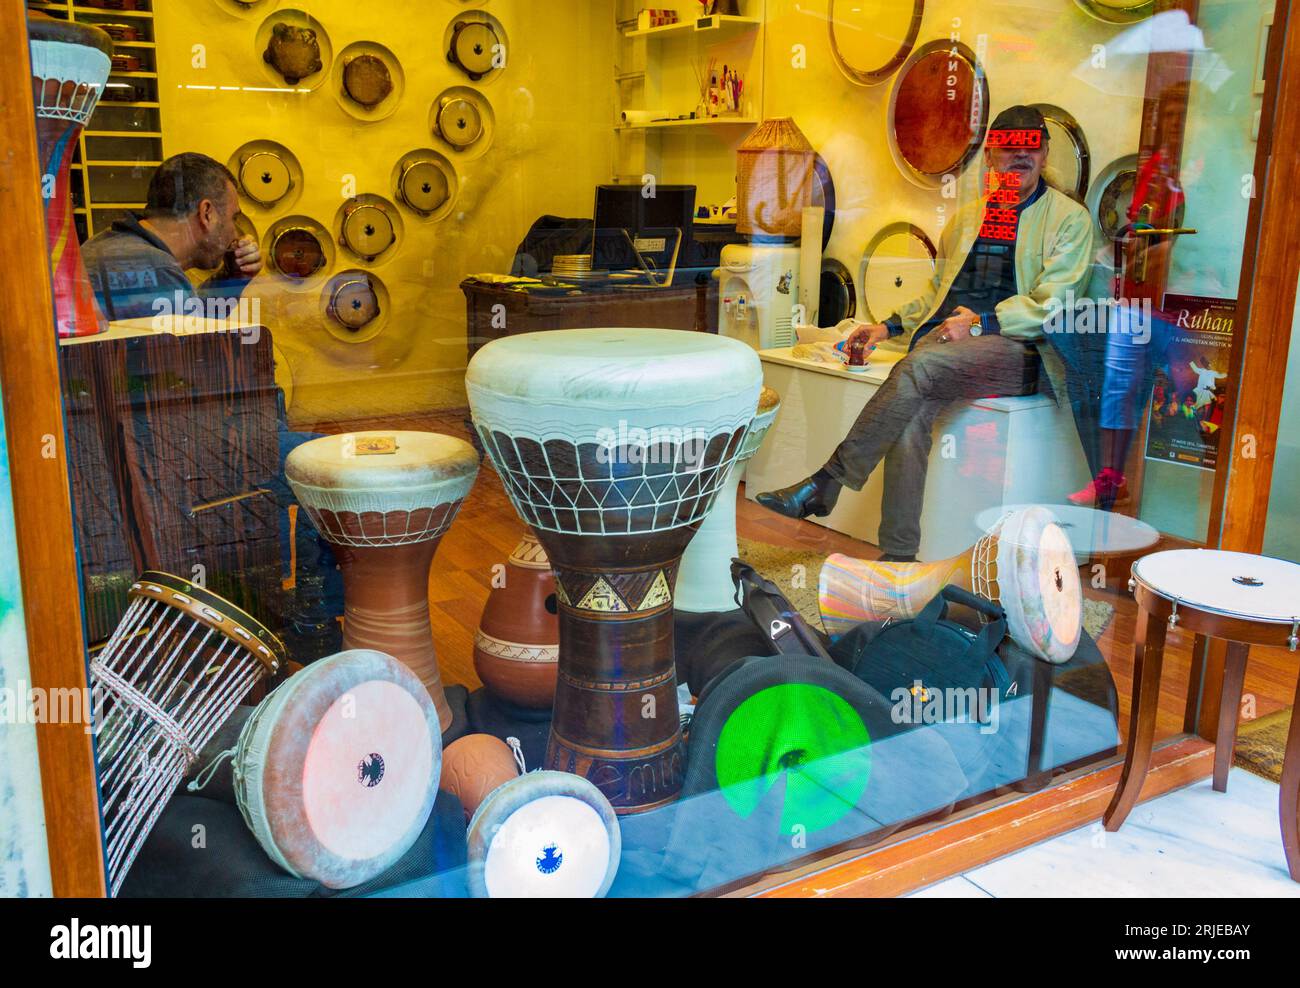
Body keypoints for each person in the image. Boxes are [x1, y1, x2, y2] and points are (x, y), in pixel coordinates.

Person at [756, 106, 1094, 562]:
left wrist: (980, 323)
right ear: (990, 155)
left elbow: (1053, 306)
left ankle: (827, 482)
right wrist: (887, 326)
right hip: (950, 345)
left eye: (1029, 147)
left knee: (920, 367)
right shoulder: (970, 218)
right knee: (909, 416)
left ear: (1044, 152)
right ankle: (898, 559)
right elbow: (935, 294)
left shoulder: (1070, 219)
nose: (1019, 156)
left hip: (1022, 350)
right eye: (1007, 147)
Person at [82, 152, 262, 321]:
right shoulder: (156, 269)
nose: (236, 233)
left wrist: (232, 276)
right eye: (234, 218)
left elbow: (193, 318)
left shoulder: (110, 245)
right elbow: (197, 348)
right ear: (207, 213)